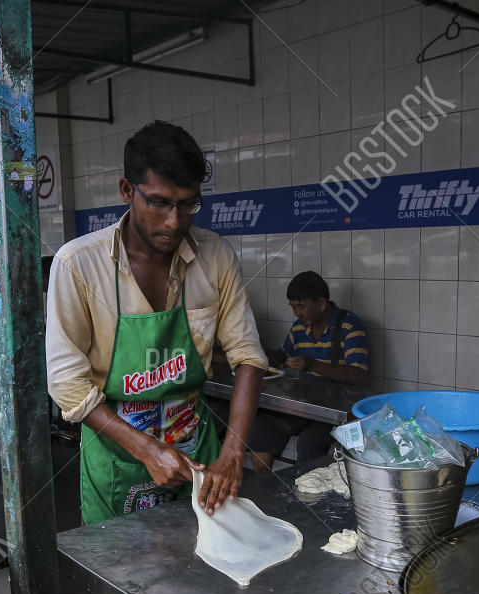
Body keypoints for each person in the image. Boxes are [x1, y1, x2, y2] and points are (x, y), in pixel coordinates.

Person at [46, 120, 266, 523]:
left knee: (204, 554)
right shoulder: (78, 264)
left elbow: (248, 355)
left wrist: (233, 451)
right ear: (126, 190)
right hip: (117, 461)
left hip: (198, 456)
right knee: (122, 560)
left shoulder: (214, 255)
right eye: (160, 203)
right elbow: (68, 386)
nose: (174, 222)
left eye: (188, 204)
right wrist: (147, 449)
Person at [247, 271, 370, 475]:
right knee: (261, 428)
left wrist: (313, 366)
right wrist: (256, 350)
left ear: (321, 303)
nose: (297, 313)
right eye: (293, 307)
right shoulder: (299, 328)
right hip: (304, 406)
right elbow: (283, 357)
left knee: (309, 444)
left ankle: (307, 490)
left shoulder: (348, 325)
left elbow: (359, 374)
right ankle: (265, 485)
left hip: (338, 412)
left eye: (301, 306)